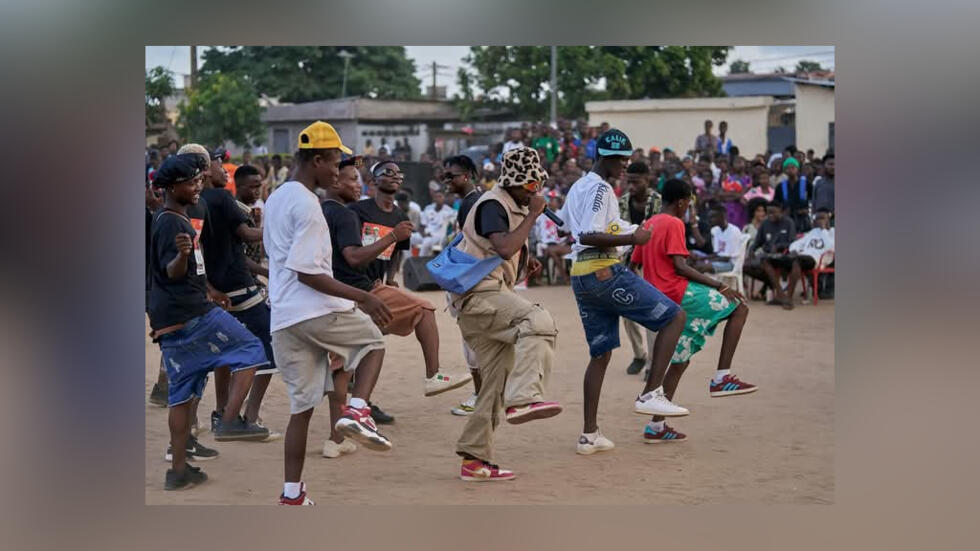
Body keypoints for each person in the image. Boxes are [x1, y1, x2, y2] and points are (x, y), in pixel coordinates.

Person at [558, 129, 688, 456]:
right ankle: (651, 393)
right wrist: (633, 239)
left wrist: (630, 229)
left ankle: (589, 435)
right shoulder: (601, 189)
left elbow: (567, 227)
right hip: (603, 271)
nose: (626, 167)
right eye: (621, 160)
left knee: (600, 354)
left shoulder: (579, 186)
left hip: (581, 276)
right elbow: (588, 234)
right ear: (605, 157)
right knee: (674, 317)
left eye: (628, 160)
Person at [149, 155, 271, 491]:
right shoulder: (172, 222)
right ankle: (230, 420)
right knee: (252, 347)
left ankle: (177, 471)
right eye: (192, 182)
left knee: (182, 394)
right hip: (191, 314)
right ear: (172, 187)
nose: (198, 187)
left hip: (170, 320)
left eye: (200, 180)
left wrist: (209, 287)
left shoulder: (170, 217)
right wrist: (184, 255)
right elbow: (171, 270)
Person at [451, 146, 562, 481]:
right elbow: (502, 246)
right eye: (530, 187)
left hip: (485, 301)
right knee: (538, 320)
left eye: (537, 187)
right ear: (514, 183)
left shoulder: (509, 205)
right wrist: (533, 216)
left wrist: (523, 267)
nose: (535, 193)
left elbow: (498, 258)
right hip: (478, 300)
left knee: (494, 385)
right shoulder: (492, 205)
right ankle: (525, 398)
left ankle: (474, 459)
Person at [323, 156, 472, 401]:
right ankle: (428, 377)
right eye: (387, 172)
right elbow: (353, 254)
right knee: (421, 310)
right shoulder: (355, 211)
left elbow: (395, 254)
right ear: (373, 181)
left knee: (364, 345)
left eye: (397, 173)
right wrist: (392, 236)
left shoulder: (399, 216)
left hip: (371, 286)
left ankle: (356, 409)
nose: (394, 176)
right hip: (359, 287)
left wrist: (390, 277)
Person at [631, 178, 757, 443]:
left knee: (679, 361)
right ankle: (722, 377)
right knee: (739, 307)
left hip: (660, 301)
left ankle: (656, 427)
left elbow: (636, 265)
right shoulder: (674, 222)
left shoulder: (648, 224)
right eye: (689, 202)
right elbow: (679, 266)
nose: (688, 207)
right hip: (678, 293)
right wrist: (719, 285)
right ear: (682, 201)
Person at [188, 148, 281, 440]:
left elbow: (198, 250)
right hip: (237, 286)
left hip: (217, 287)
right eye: (216, 162)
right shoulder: (222, 198)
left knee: (220, 351)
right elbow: (247, 236)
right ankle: (245, 418)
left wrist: (209, 287)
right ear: (204, 170)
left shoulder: (193, 204)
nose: (223, 167)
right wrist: (281, 228)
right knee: (269, 344)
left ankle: (218, 413)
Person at [441, 155, 484, 416]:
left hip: (471, 280)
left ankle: (481, 395)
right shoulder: (473, 201)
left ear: (466, 176)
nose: (446, 180)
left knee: (473, 340)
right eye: (445, 176)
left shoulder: (473, 203)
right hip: (473, 277)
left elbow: (474, 246)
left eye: (451, 176)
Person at [618, 161, 662, 375]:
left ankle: (652, 364)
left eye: (636, 182)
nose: (631, 186)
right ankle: (639, 354)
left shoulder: (659, 202)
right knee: (626, 312)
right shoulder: (623, 201)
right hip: (628, 263)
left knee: (651, 313)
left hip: (652, 263)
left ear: (648, 179)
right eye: (629, 182)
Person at [744, 200, 800, 309]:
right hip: (768, 255)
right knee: (748, 266)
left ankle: (781, 294)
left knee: (792, 264)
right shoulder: (765, 223)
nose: (770, 215)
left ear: (781, 211)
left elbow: (793, 242)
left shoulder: (789, 222)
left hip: (784, 255)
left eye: (773, 212)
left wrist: (780, 246)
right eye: (768, 212)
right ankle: (777, 291)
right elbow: (757, 242)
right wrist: (751, 251)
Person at [693, 206, 743, 274]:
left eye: (713, 217)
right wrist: (702, 258)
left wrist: (707, 260)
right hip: (719, 260)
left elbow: (726, 258)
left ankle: (701, 284)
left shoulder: (734, 231)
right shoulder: (715, 230)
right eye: (709, 217)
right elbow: (717, 253)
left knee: (702, 267)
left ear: (722, 217)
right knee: (691, 257)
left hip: (731, 264)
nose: (709, 220)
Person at [774, 157, 813, 231]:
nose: (790, 170)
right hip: (786, 220)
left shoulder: (807, 184)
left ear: (797, 169)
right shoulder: (780, 186)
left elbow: (813, 200)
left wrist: (808, 210)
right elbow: (776, 203)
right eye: (787, 168)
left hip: (803, 220)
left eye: (793, 167)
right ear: (784, 170)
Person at [419, 187, 457, 256]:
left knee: (426, 242)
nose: (438, 199)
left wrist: (451, 235)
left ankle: (420, 263)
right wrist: (423, 234)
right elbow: (422, 225)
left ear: (444, 198)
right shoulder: (428, 208)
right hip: (426, 234)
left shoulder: (449, 211)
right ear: (434, 198)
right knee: (411, 238)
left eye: (440, 196)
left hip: (439, 236)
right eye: (436, 197)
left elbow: (455, 224)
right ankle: (406, 261)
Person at [812, 153, 835, 217]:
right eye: (830, 164)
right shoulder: (818, 183)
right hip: (820, 220)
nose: (833, 167)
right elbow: (814, 203)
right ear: (824, 165)